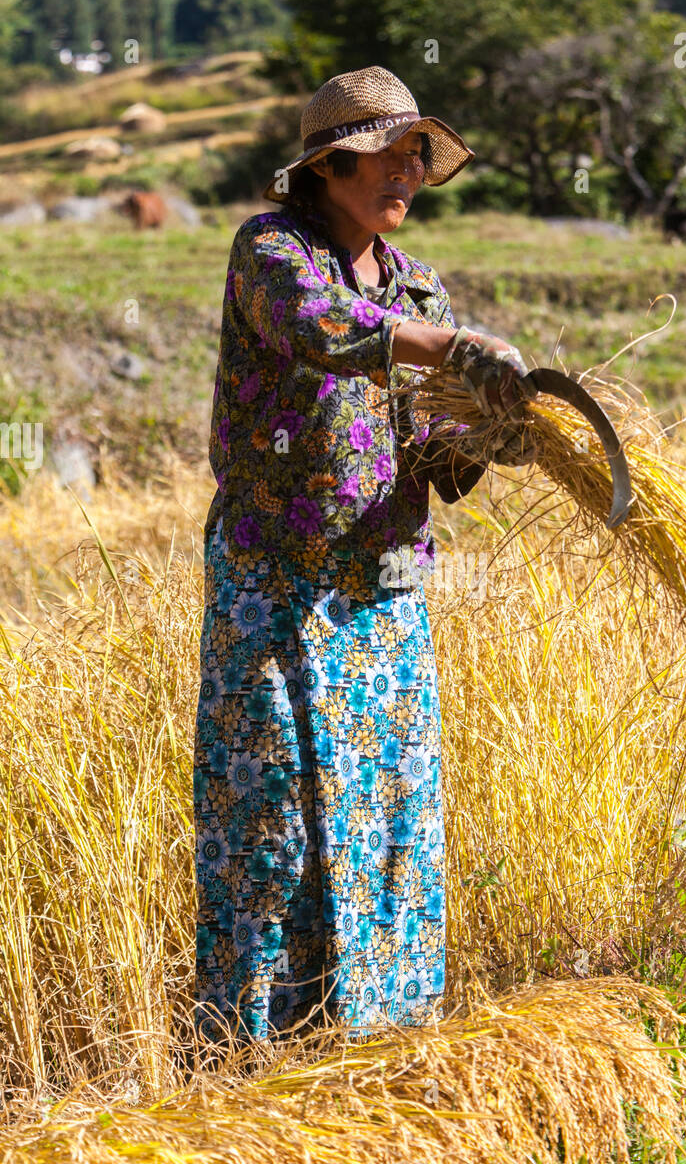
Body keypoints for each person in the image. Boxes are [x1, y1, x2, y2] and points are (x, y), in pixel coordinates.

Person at [193, 65, 536, 1044]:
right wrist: (445, 346)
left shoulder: (417, 283)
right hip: (274, 578)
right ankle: (253, 1047)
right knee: (272, 815)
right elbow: (318, 329)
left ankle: (377, 1035)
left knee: (385, 811)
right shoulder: (272, 251)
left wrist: (492, 432)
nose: (407, 173)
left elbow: (437, 462)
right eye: (389, 155)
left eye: (415, 157)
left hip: (383, 589)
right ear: (330, 164)